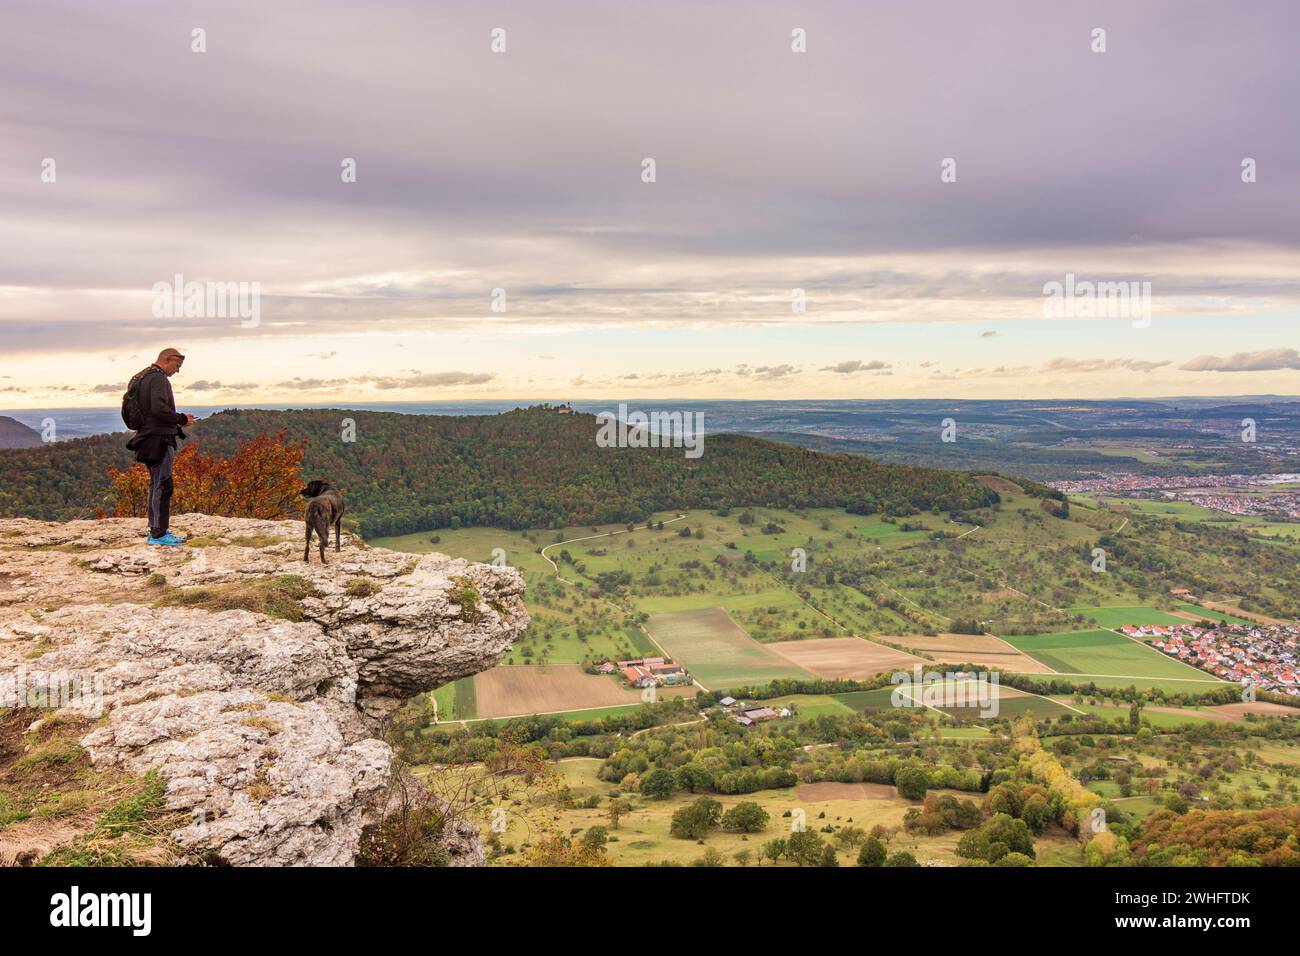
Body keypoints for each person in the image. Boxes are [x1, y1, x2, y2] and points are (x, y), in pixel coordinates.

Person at [125, 348, 197, 545]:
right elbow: (159, 409)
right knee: (164, 484)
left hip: (145, 438)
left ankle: (156, 529)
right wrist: (182, 419)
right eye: (177, 365)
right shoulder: (158, 379)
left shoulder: (139, 377)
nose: (177, 371)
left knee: (155, 483)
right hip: (160, 439)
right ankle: (159, 533)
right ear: (166, 359)